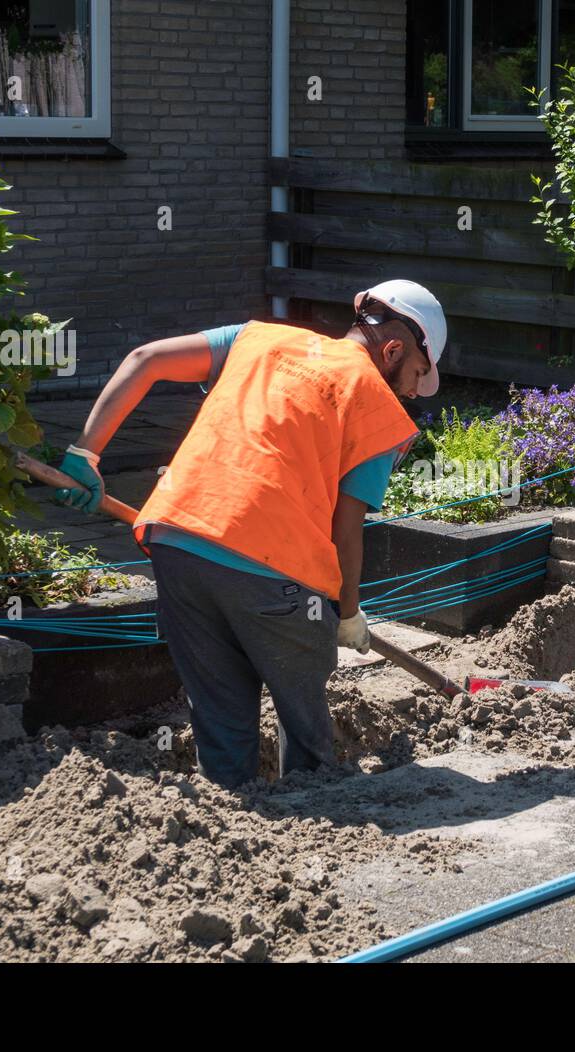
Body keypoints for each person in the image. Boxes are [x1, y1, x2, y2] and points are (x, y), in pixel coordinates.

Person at [54, 280, 447, 787]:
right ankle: (315, 813)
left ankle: (231, 817)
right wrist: (346, 613)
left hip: (176, 542)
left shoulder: (257, 338)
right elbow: (346, 533)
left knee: (220, 715)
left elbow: (145, 357)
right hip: (273, 573)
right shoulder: (374, 403)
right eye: (415, 374)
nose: (411, 391)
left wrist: (86, 453)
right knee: (305, 719)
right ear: (393, 349)